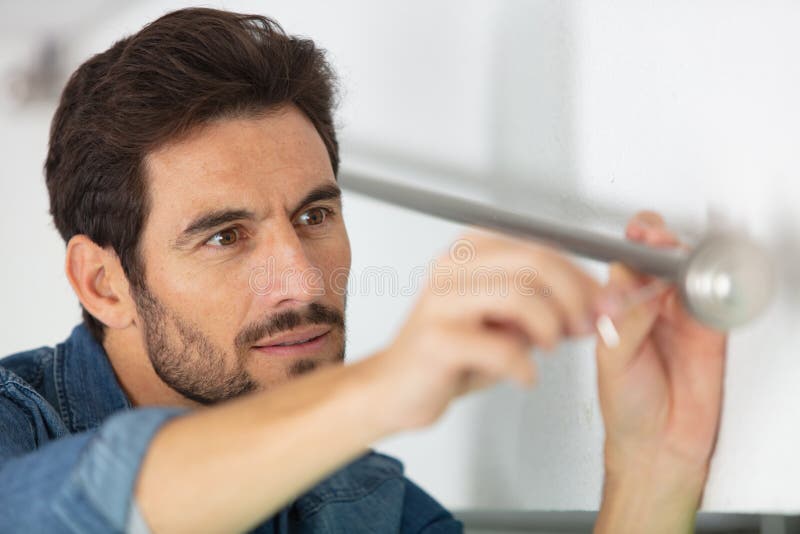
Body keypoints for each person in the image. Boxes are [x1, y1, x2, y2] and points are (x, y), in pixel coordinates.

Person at [0, 7, 727, 534]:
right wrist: (381, 386)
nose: (304, 282)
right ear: (103, 283)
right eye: (225, 237)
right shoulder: (15, 428)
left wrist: (652, 469)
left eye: (315, 217)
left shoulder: (364, 506)